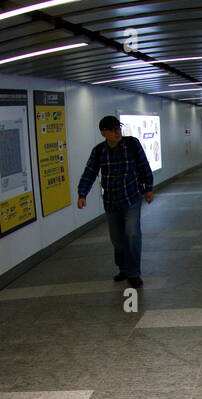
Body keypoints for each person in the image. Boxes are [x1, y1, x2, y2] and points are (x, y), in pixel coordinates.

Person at [76, 115, 154, 289]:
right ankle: (124, 269)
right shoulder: (99, 151)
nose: (117, 132)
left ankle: (134, 273)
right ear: (104, 133)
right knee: (117, 240)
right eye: (112, 130)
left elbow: (144, 166)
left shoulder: (132, 145)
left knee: (132, 235)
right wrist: (82, 194)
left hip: (131, 198)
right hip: (111, 202)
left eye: (118, 128)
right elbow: (89, 173)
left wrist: (148, 188)